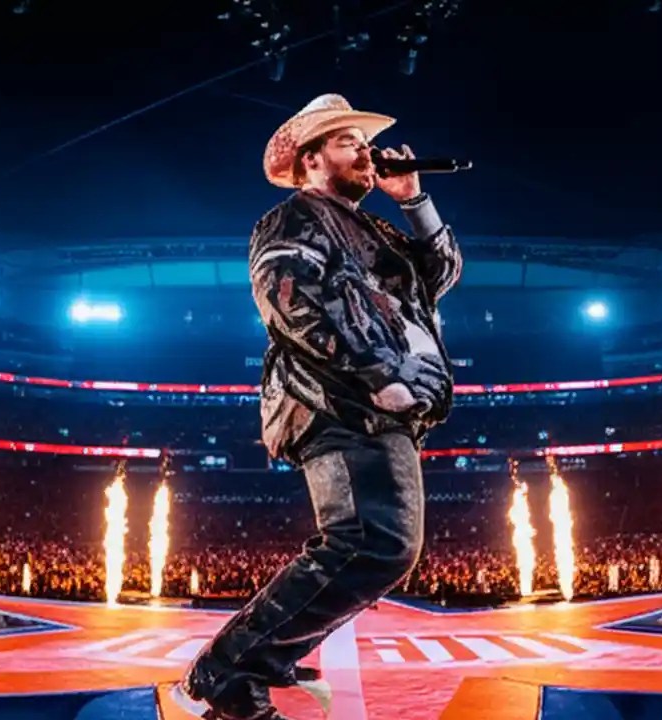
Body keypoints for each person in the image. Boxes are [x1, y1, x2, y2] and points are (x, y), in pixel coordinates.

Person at [170, 94, 462, 719]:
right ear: (309, 160)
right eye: (347, 142)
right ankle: (225, 673)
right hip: (336, 398)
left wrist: (413, 199)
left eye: (365, 141)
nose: (365, 151)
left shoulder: (376, 229)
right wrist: (378, 375)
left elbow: (439, 274)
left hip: (380, 404)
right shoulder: (292, 218)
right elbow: (288, 296)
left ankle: (241, 679)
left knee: (377, 542)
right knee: (373, 539)